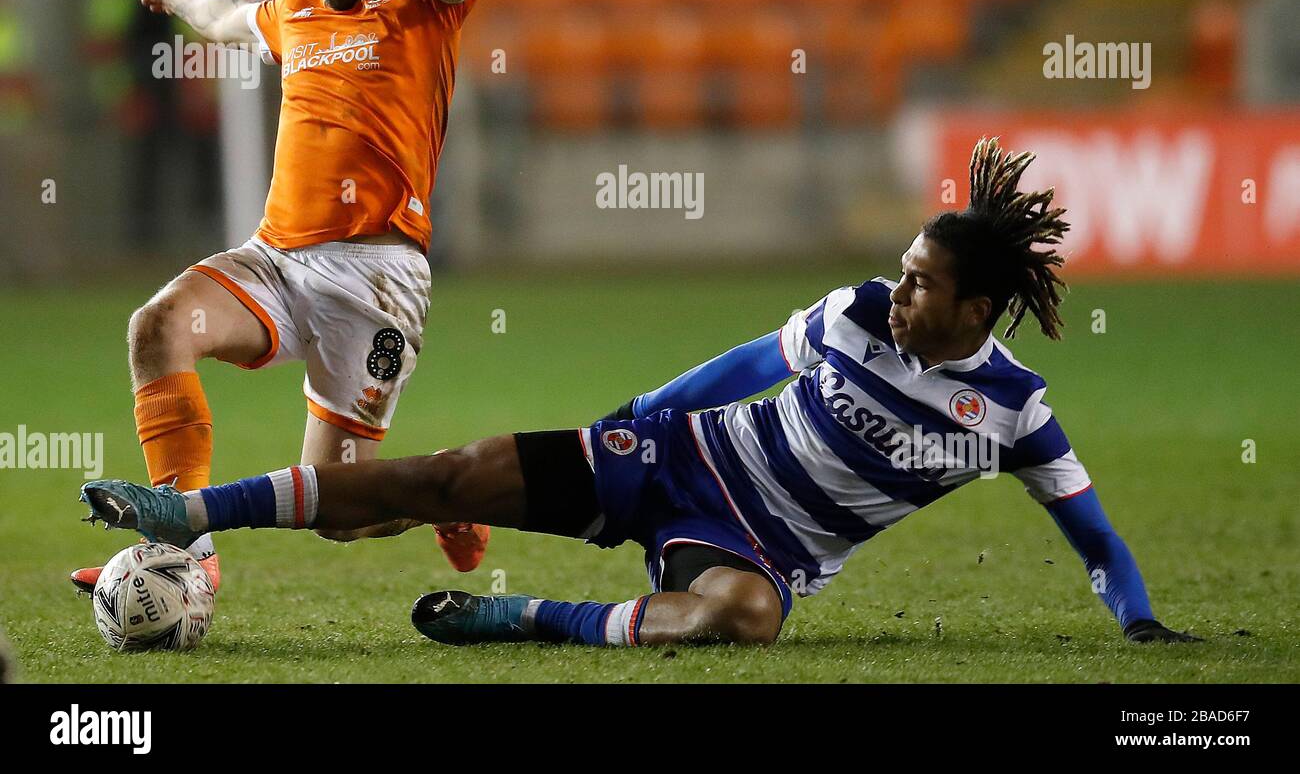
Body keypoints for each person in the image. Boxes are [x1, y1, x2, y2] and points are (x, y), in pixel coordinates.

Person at [81, 138, 1200, 648]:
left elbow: (1094, 538)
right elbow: (752, 364)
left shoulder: (1013, 414)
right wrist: (646, 409)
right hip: (679, 455)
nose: (897, 287)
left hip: (751, 548)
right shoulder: (857, 310)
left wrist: (1139, 619)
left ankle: (523, 619)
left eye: (921, 280)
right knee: (445, 475)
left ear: (977, 306)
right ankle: (194, 510)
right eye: (902, 270)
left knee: (745, 620)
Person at [73, 0, 505, 596]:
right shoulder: (297, 8)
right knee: (158, 328)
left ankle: (451, 493)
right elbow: (225, 13)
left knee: (340, 512)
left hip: (375, 281)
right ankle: (181, 555)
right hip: (274, 260)